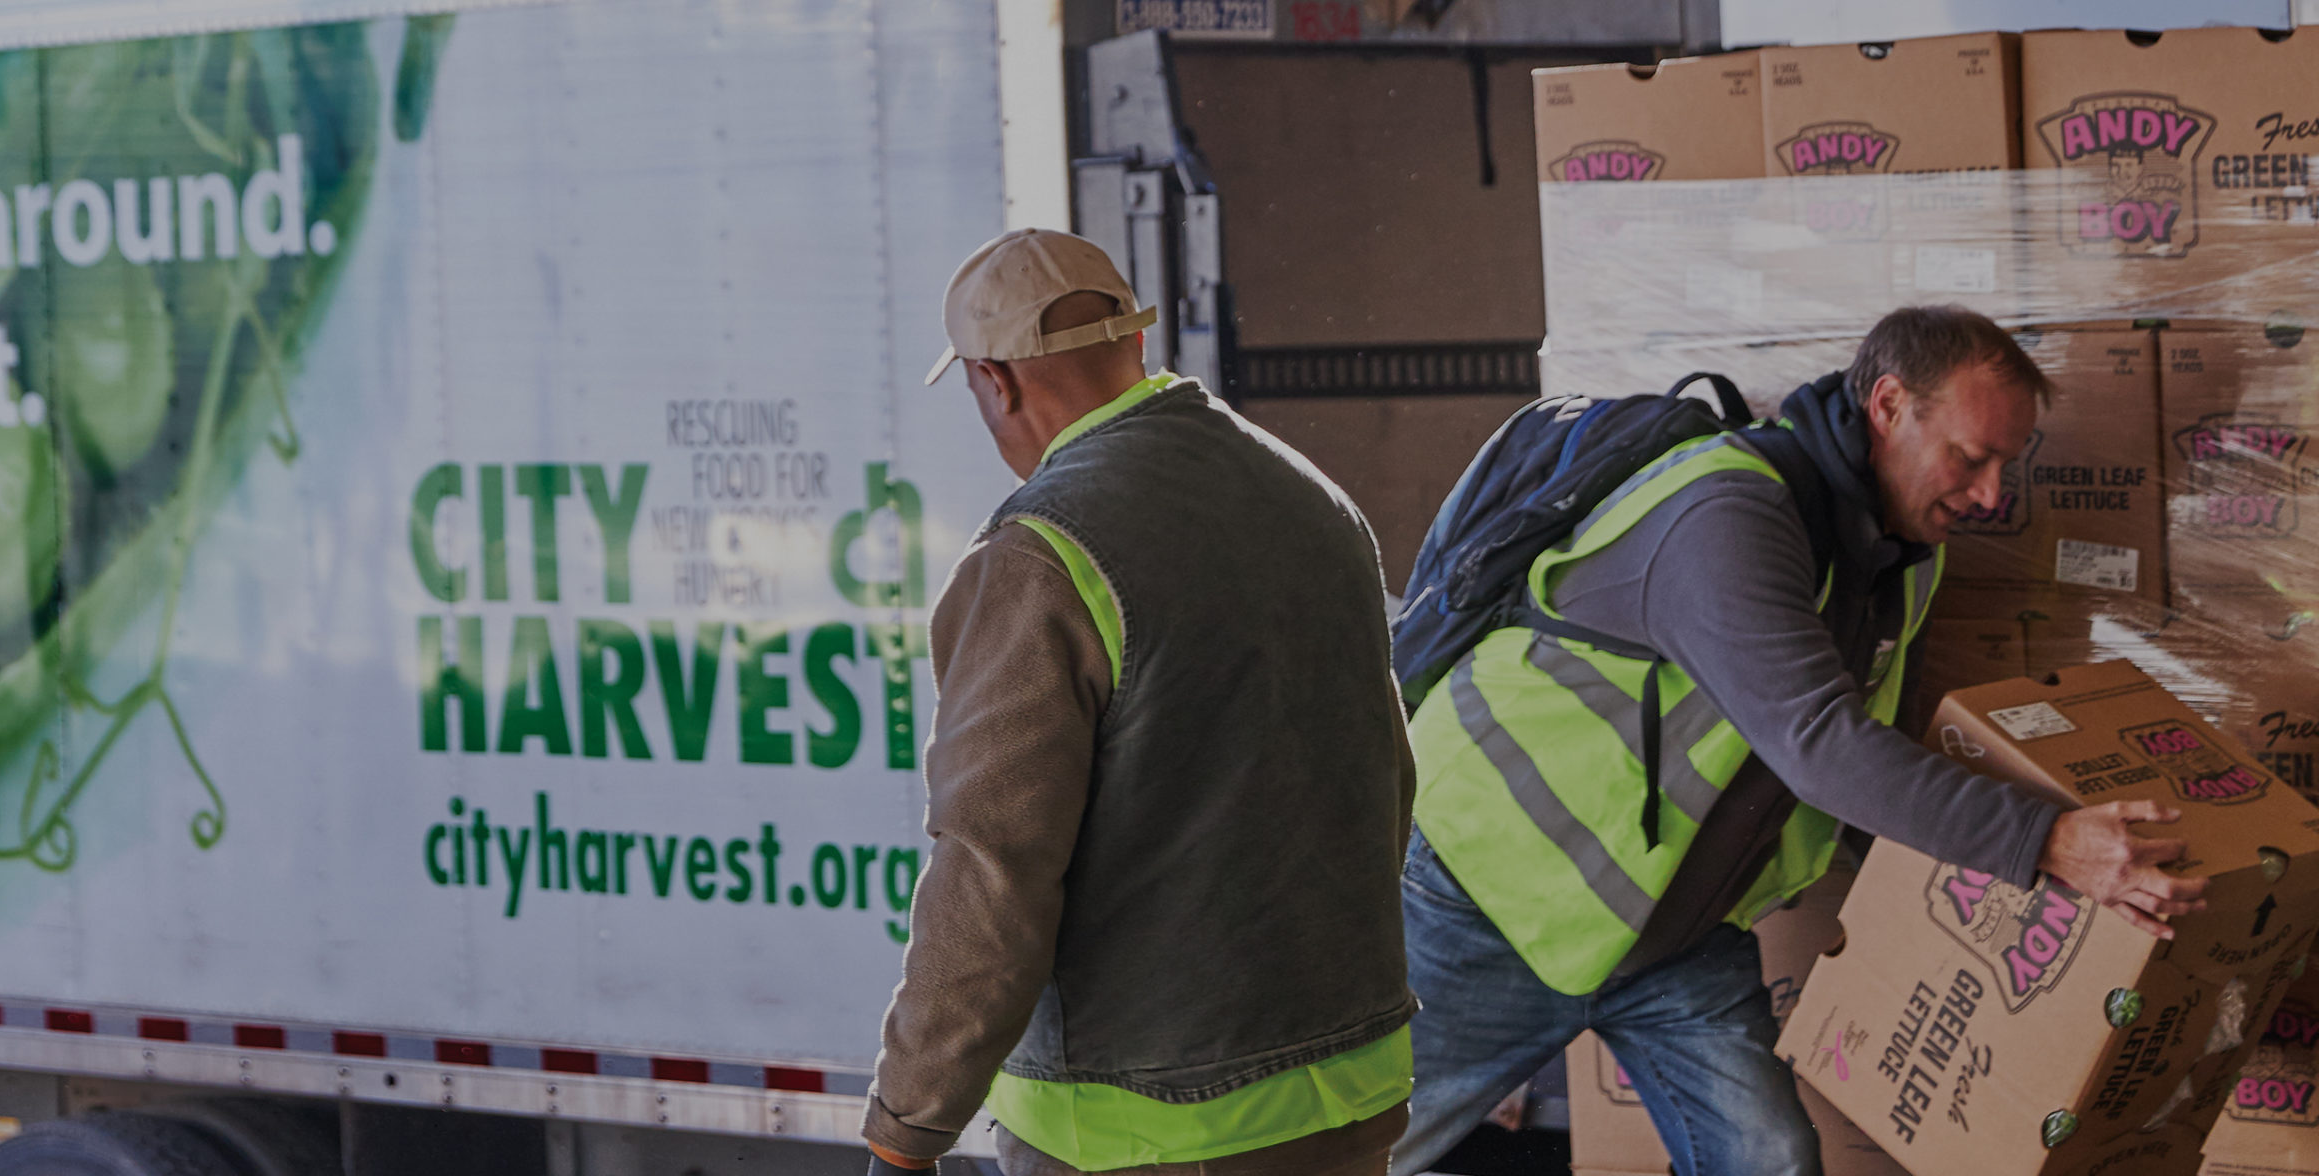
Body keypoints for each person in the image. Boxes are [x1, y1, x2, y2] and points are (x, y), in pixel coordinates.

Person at [1392, 306, 2212, 1176]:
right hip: (1491, 894)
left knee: (1771, 1160)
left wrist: (2043, 900)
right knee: (1364, 1150)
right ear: (1890, 405)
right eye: (1972, 458)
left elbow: (1879, 756)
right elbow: (1819, 742)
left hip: (1673, 930)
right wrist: (2046, 842)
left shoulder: (1902, 561)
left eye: (2006, 465)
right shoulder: (1726, 511)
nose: (1991, 496)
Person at [862, 228, 1417, 1176]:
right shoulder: (1311, 496)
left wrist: (907, 1128)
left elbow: (994, 874)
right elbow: (1383, 776)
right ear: (1132, 343)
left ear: (995, 382)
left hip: (1149, 1122)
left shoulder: (1042, 553)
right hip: (1351, 1085)